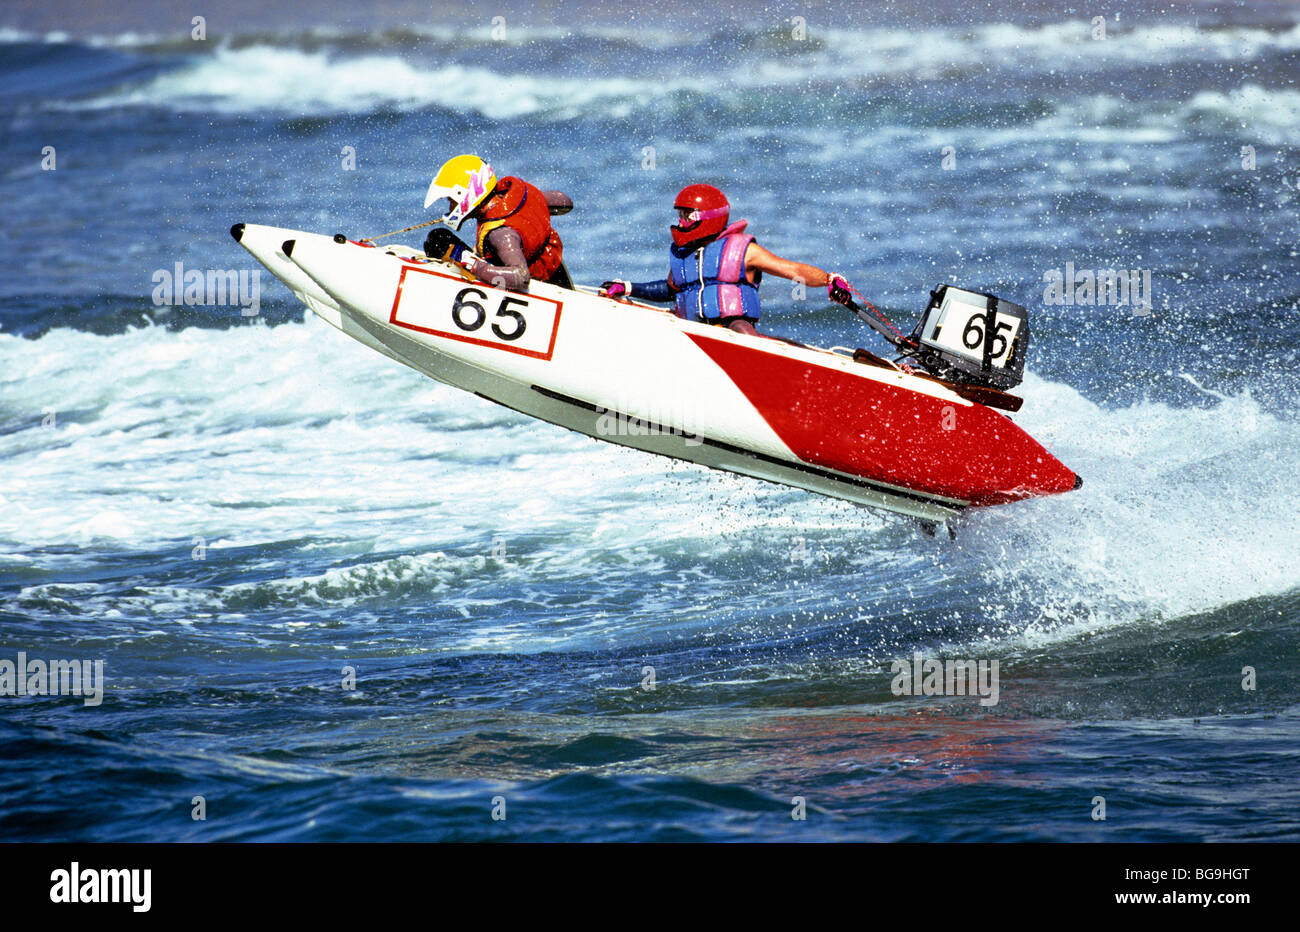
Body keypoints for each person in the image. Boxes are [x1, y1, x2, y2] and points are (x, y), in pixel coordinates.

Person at [599, 183, 856, 335]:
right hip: (694, 333)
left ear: (709, 217)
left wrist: (829, 280)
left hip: (733, 331)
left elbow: (791, 270)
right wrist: (628, 287)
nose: (681, 222)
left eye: (688, 216)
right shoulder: (683, 254)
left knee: (740, 328)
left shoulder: (743, 250)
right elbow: (670, 289)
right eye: (680, 215)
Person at [421, 154, 573, 289]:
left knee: (438, 241)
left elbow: (521, 277)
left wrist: (475, 266)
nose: (450, 207)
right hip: (557, 272)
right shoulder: (512, 198)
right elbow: (566, 203)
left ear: (466, 195)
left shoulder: (500, 234)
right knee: (438, 236)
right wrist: (538, 200)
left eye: (451, 200)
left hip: (542, 289)